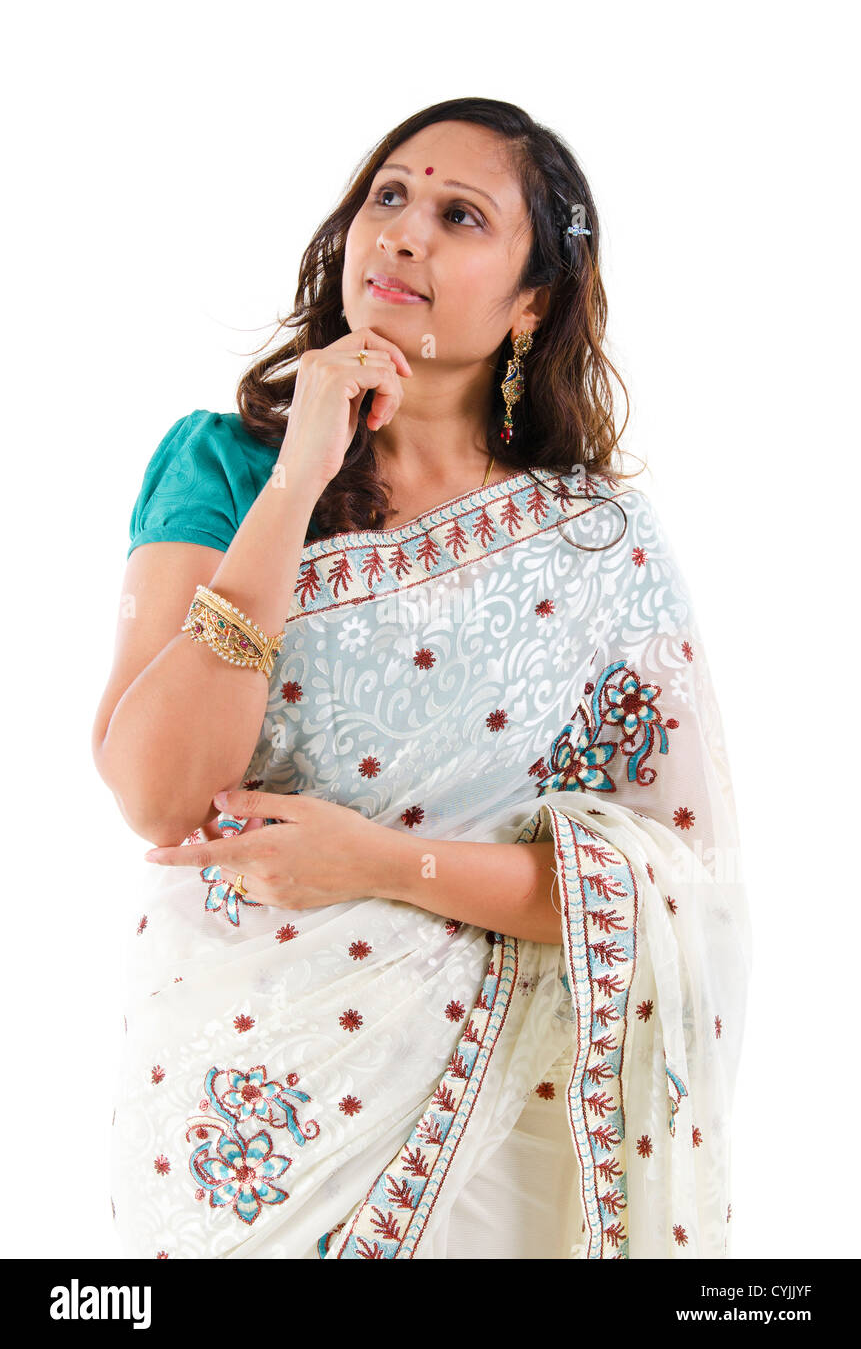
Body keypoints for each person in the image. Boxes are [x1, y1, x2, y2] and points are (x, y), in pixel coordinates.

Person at [93, 96, 752, 1260]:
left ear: (531, 302)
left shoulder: (595, 542)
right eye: (387, 196)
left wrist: (378, 863)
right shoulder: (224, 466)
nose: (403, 233)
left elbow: (655, 887)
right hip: (242, 1105)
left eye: (460, 215)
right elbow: (157, 793)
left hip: (497, 1114)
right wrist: (299, 476)